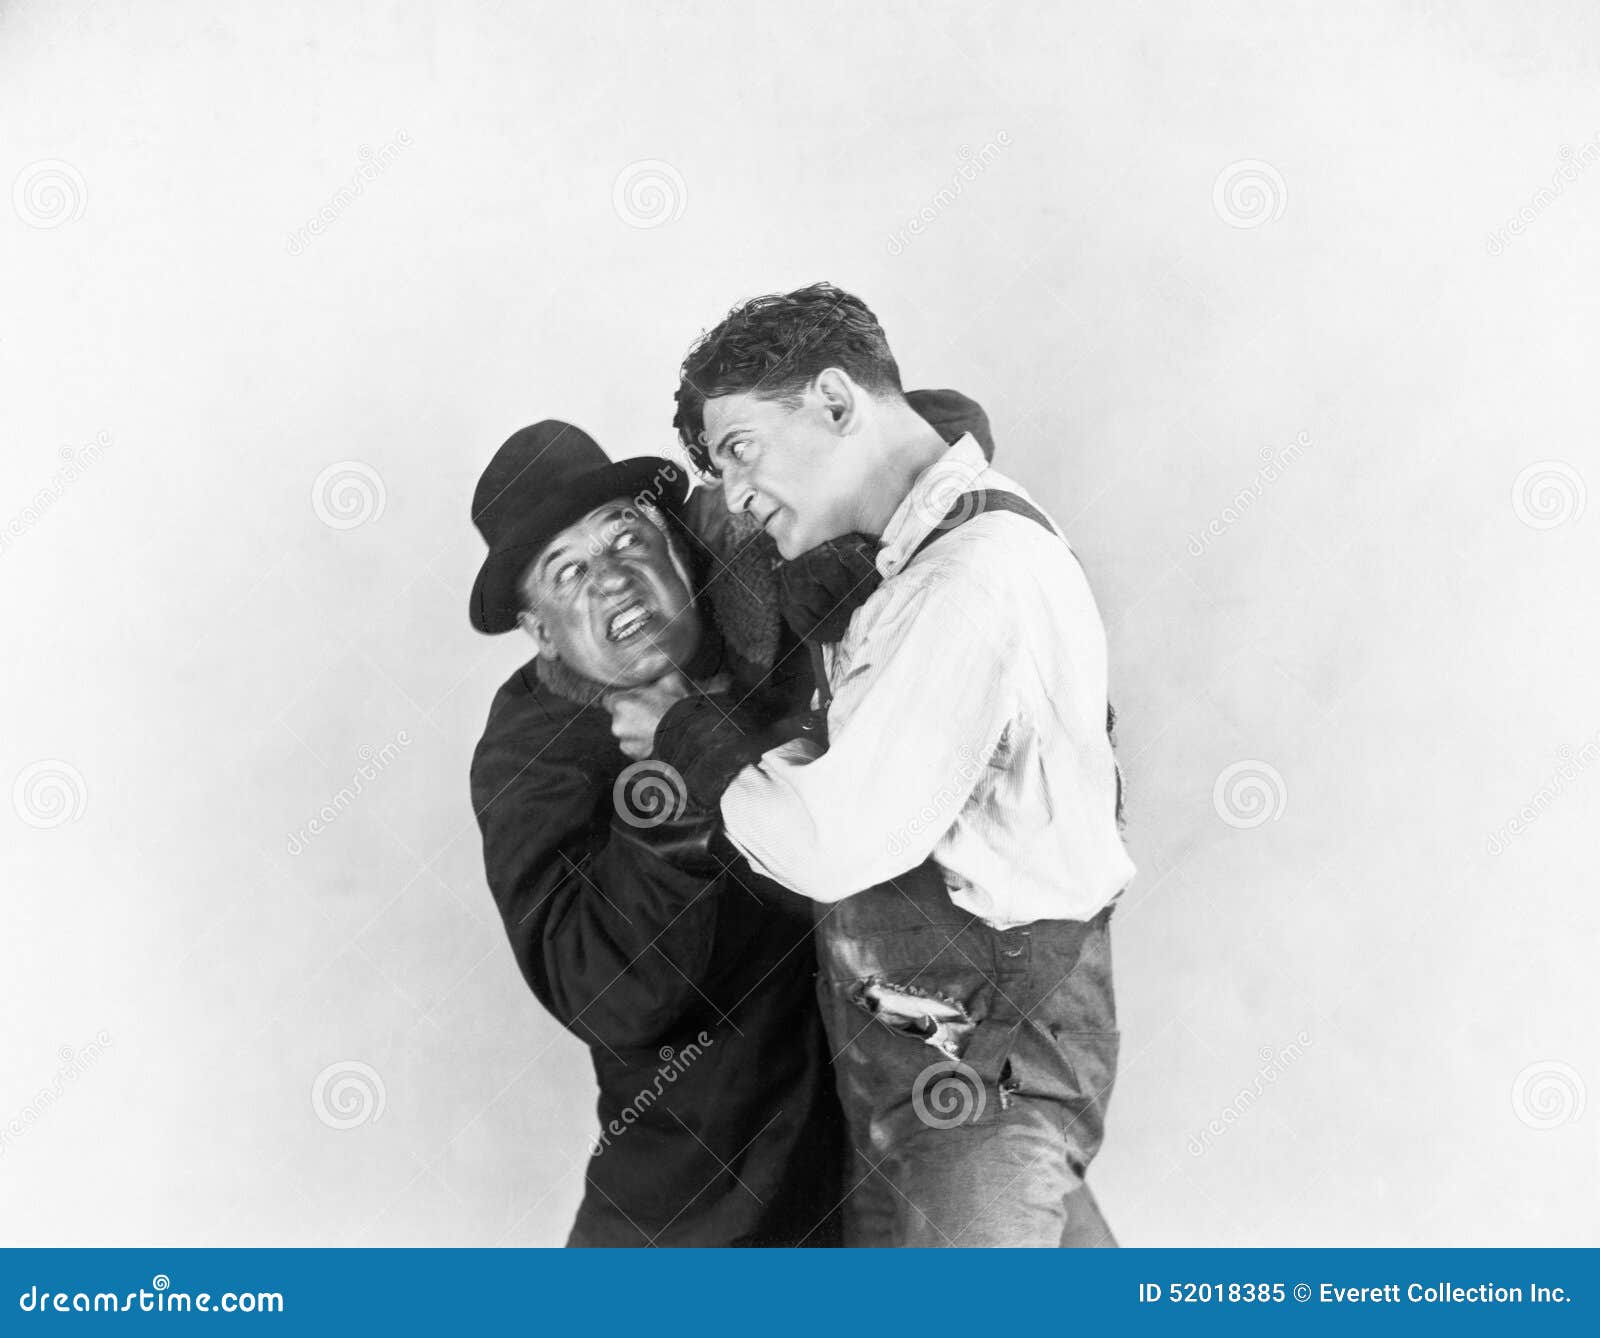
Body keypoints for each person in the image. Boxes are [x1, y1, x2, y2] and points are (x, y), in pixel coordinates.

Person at [607, 283, 1134, 1247]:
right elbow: (884, 788)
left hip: (979, 1085)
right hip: (930, 1072)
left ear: (838, 403)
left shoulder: (969, 580)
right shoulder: (930, 570)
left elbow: (829, 840)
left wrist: (687, 729)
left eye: (740, 448)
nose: (732, 490)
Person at [466, 419, 844, 1247]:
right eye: (566, 573)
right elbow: (606, 990)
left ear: (676, 546)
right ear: (540, 632)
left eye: (625, 537)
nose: (611, 581)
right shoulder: (531, 756)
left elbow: (932, 434)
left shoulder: (762, 607)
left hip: (896, 1135)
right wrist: (675, 786)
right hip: (704, 1214)